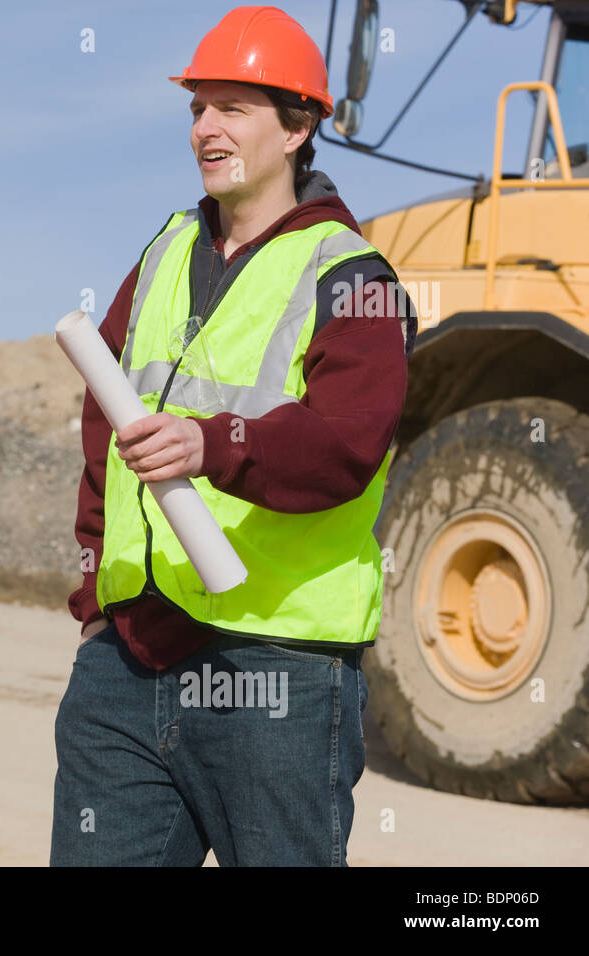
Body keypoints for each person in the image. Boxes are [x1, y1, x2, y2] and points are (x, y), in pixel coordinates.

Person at [51, 5, 416, 866]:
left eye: (233, 108)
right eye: (196, 108)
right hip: (129, 659)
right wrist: (96, 601)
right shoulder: (167, 251)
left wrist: (214, 444)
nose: (205, 129)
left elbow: (347, 445)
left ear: (298, 128)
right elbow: (106, 423)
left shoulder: (350, 277)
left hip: (276, 669)